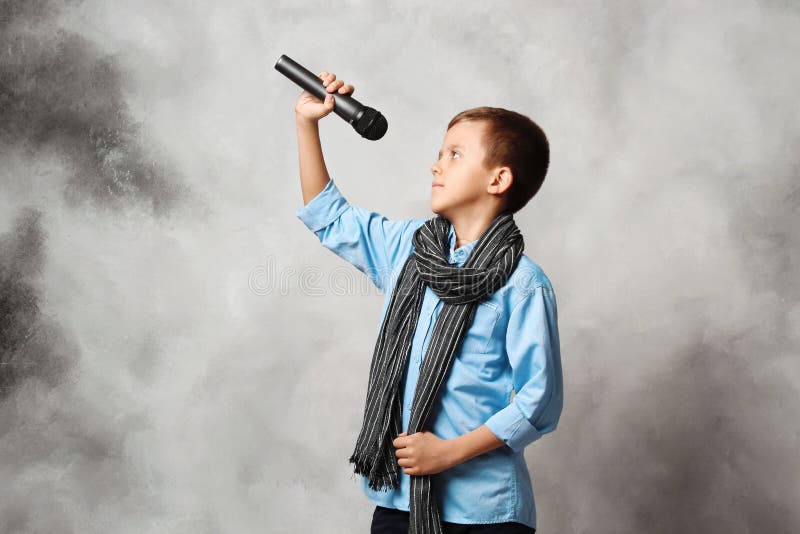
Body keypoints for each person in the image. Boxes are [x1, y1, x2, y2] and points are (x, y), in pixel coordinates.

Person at [294, 70, 563, 534]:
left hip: (484, 513)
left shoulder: (524, 285)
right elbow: (330, 218)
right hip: (397, 502)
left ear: (498, 179)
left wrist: (448, 452)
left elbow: (539, 402)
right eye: (440, 154)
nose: (436, 166)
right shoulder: (407, 251)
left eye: (454, 155)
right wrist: (307, 123)